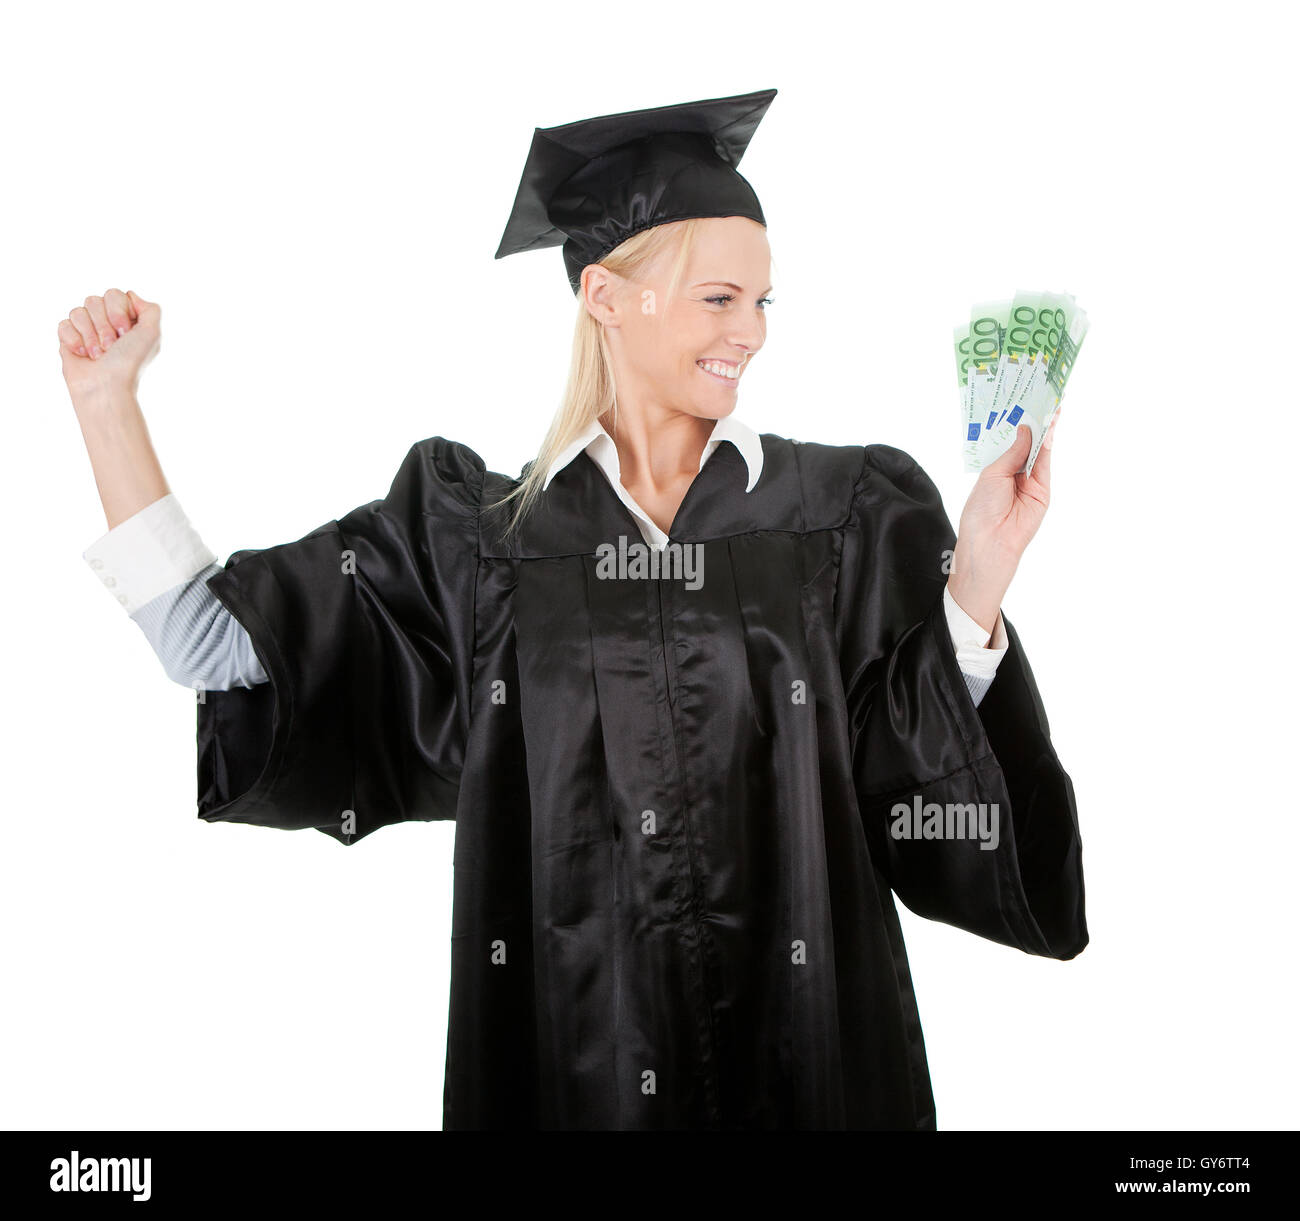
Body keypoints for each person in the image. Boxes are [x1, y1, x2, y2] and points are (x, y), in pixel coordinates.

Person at [62, 89, 1086, 1130]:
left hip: (812, 1056)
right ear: (606, 295)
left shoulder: (842, 513)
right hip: (576, 1065)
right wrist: (107, 403)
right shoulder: (474, 544)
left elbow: (904, 773)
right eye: (719, 299)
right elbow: (212, 645)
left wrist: (981, 577)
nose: (751, 334)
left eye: (764, 303)